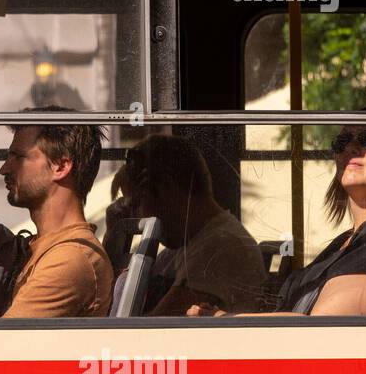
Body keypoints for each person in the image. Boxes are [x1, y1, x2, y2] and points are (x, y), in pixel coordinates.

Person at [190, 124, 366, 317]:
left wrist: (226, 321)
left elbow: (318, 327)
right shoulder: (348, 241)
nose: (351, 147)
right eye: (342, 141)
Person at [109, 135, 265, 315]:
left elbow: (153, 328)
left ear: (166, 188)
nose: (136, 216)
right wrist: (115, 239)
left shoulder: (217, 247)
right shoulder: (185, 246)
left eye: (137, 204)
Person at [0, 106, 112, 318]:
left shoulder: (69, 258)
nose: (4, 169)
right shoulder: (43, 248)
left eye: (18, 157)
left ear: (60, 167)